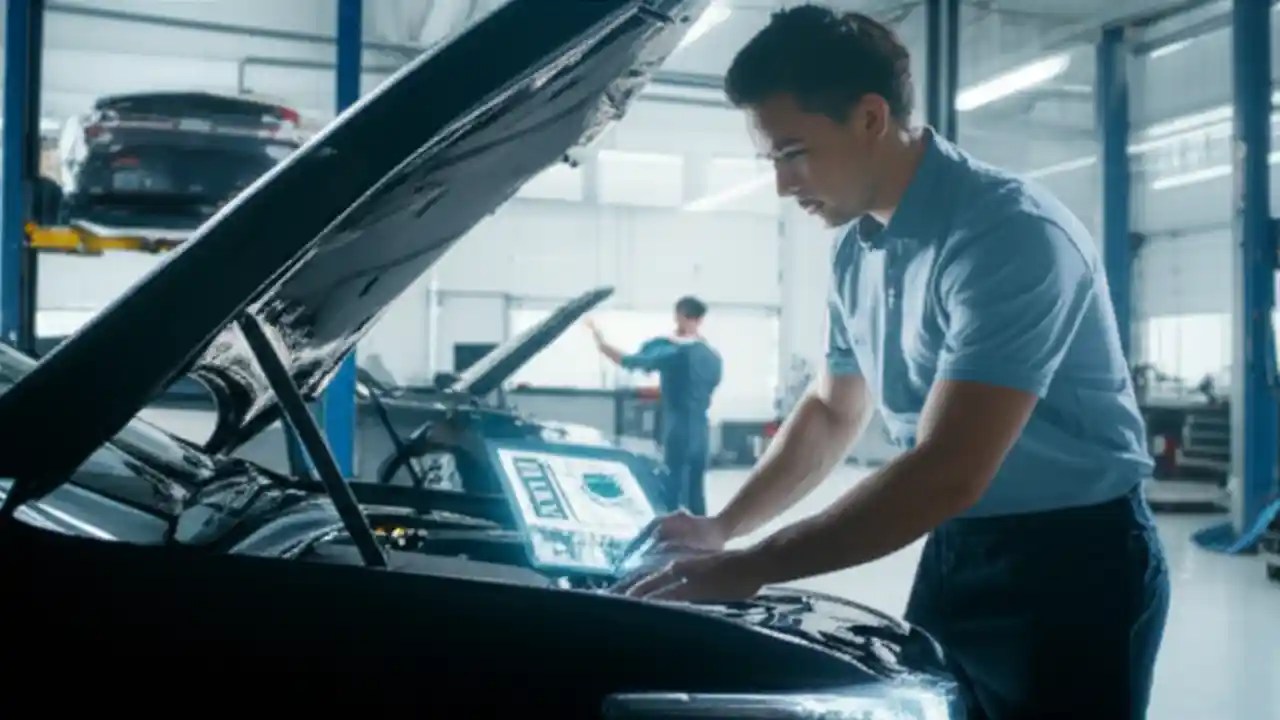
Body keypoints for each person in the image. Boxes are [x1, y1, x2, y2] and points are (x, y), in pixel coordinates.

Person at [618, 6, 1170, 719]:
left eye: (794, 152)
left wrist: (753, 567)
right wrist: (727, 528)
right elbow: (830, 410)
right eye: (772, 160)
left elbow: (948, 469)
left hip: (1076, 563)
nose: (784, 186)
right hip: (957, 549)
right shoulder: (858, 249)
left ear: (871, 118)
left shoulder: (1008, 236)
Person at [586, 296, 723, 515]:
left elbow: (632, 362)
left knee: (673, 485)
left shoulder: (674, 352)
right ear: (700, 319)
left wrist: (602, 345)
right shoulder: (713, 357)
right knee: (696, 489)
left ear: (678, 315)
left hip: (678, 427)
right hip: (701, 428)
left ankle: (670, 535)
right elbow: (704, 386)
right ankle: (702, 537)